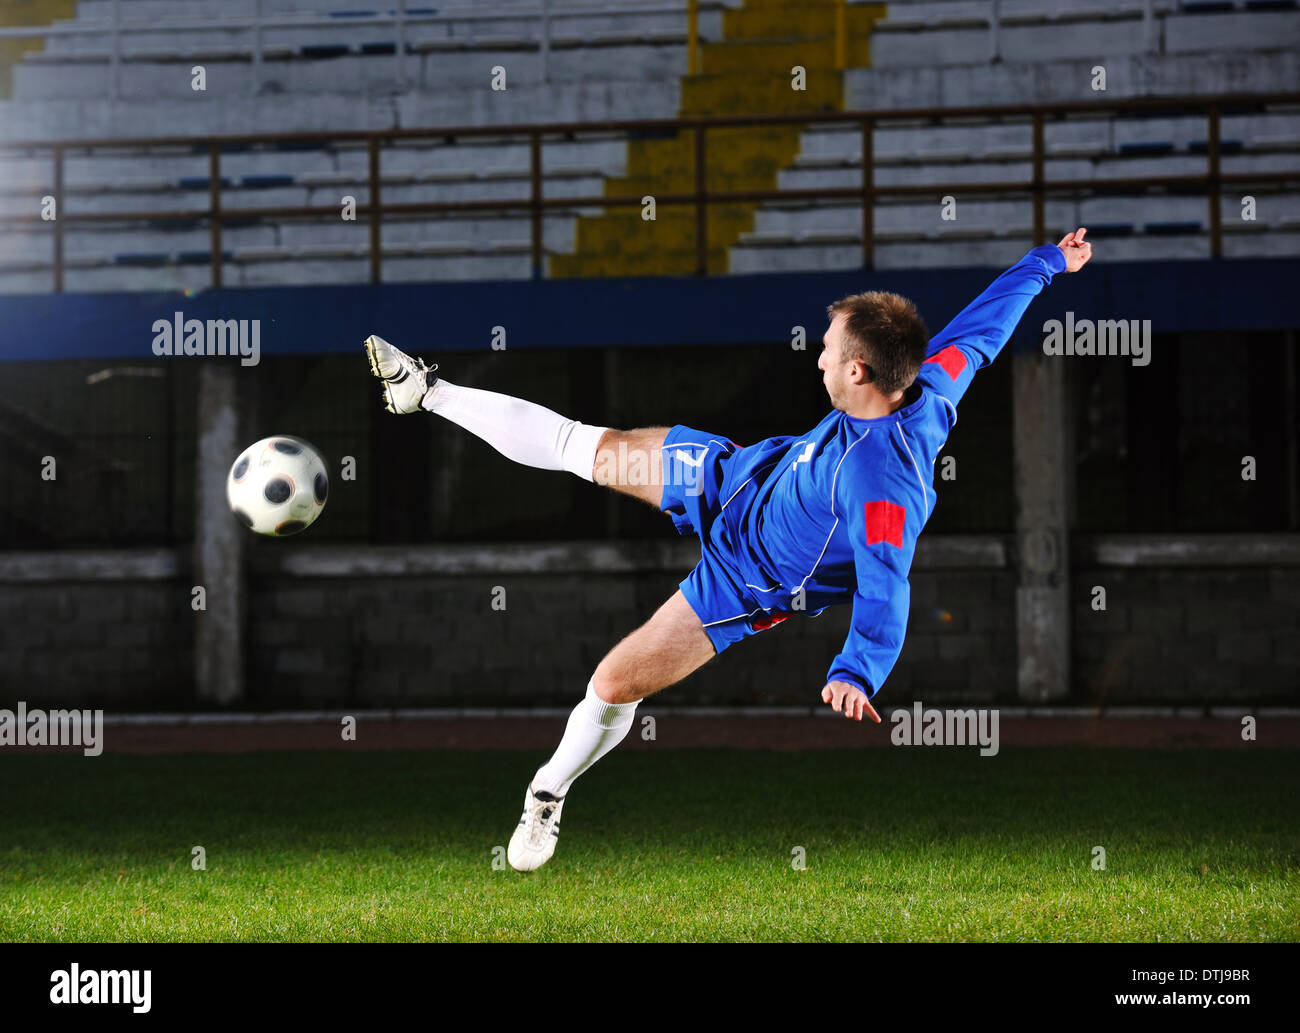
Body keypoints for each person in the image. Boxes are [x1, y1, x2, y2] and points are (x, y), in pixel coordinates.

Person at [364, 228, 1093, 871]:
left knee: (612, 684)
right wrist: (1046, 263)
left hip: (744, 584)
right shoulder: (930, 381)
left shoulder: (882, 484)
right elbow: (985, 326)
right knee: (585, 447)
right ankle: (425, 392)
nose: (818, 358)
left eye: (829, 349)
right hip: (739, 477)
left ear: (859, 372)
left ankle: (546, 792)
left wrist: (857, 668)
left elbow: (887, 581)